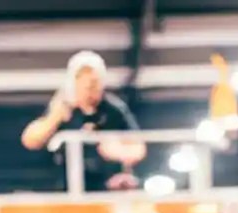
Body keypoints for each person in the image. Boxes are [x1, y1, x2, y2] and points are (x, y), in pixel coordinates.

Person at [21, 51, 147, 191]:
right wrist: (54, 119)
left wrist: (119, 151)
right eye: (83, 80)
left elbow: (139, 149)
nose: (88, 87)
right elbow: (30, 140)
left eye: (93, 82)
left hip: (107, 188)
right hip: (67, 188)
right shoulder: (62, 107)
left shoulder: (114, 110)